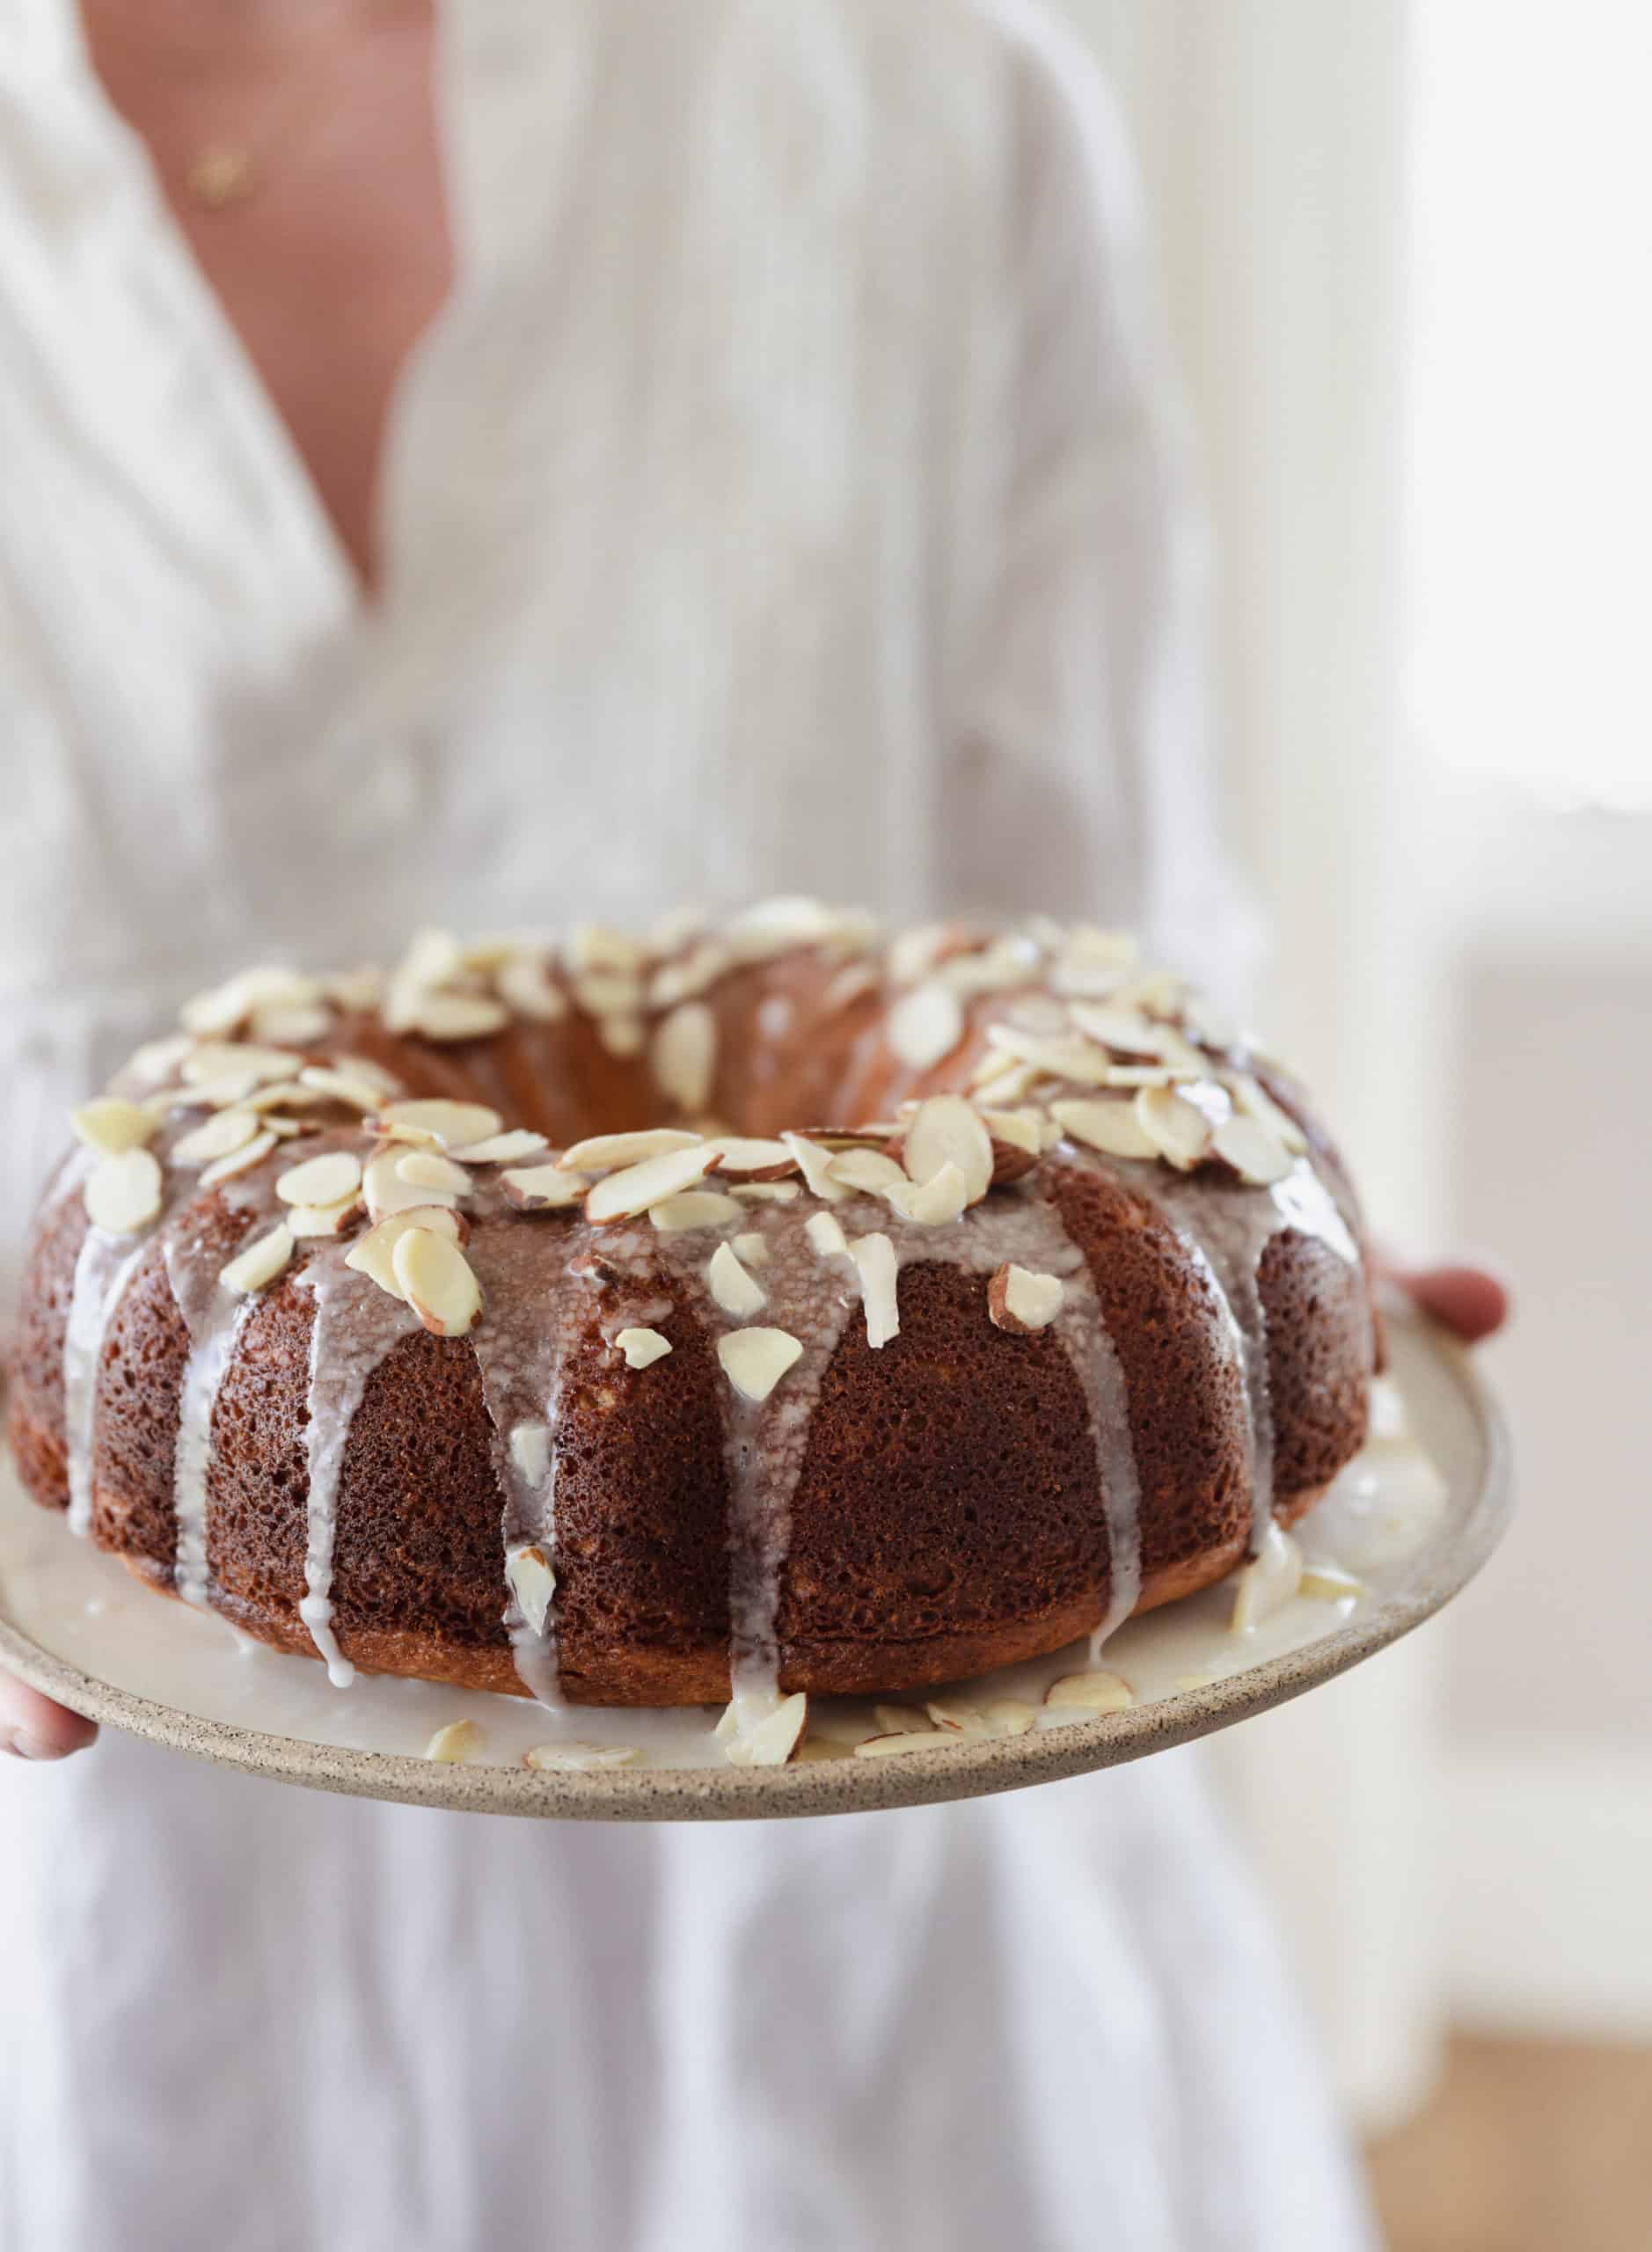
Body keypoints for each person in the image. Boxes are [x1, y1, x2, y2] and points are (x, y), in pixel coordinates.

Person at [0, 4, 1506, 2247]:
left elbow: (1129, 968)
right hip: (157, 1959)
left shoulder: (932, 94)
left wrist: (1241, 1281)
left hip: (914, 1932)